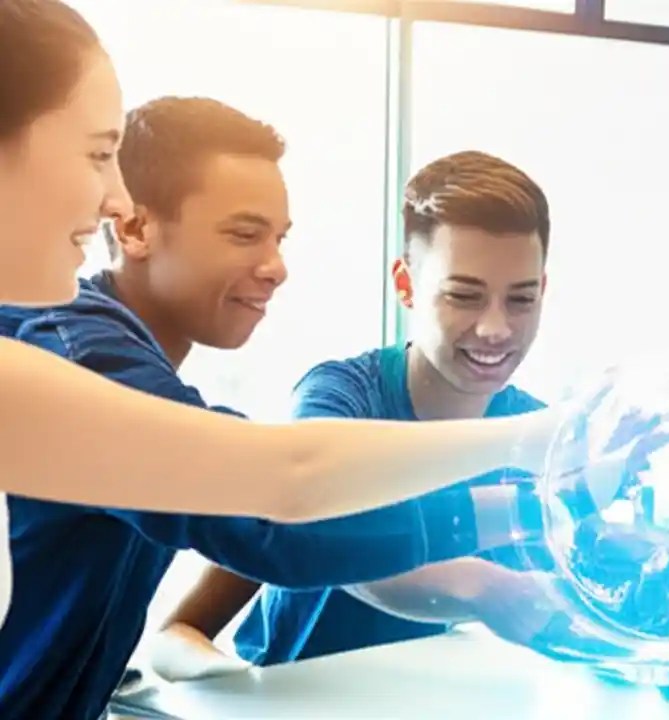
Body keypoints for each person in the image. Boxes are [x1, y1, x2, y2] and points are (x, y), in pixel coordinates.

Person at [0, 0, 566, 636]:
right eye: (97, 154)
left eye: (279, 240)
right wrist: (552, 446)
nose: (115, 195)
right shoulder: (70, 346)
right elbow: (283, 496)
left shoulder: (101, 352)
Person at [152, 150, 564, 673]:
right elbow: (326, 537)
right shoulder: (343, 399)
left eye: (521, 300)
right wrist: (480, 587)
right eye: (464, 296)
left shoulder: (538, 440)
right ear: (406, 284)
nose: (495, 329)